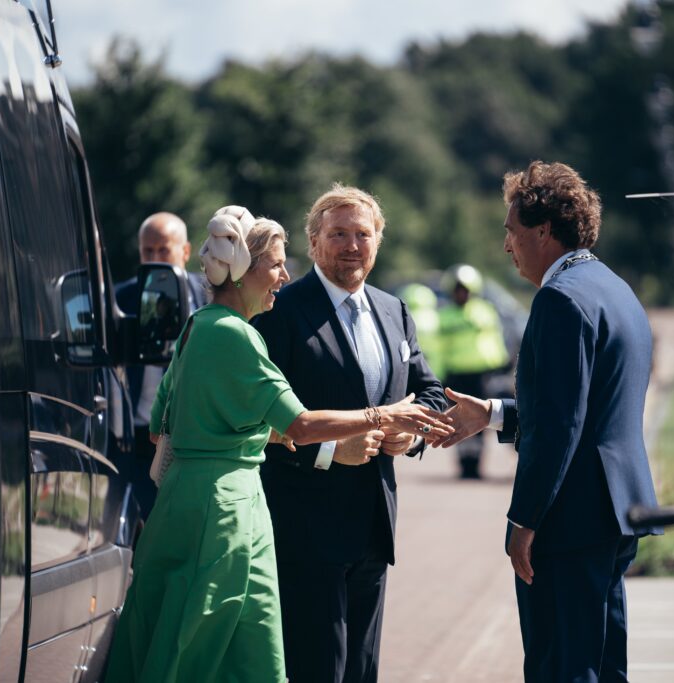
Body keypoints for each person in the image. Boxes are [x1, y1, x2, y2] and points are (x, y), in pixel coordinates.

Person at [106, 207, 451, 683]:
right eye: (274, 265)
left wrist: (245, 435)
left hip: (192, 504)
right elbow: (303, 424)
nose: (283, 277)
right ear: (243, 269)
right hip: (225, 515)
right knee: (217, 649)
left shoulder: (196, 326)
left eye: (362, 234)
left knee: (187, 637)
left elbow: (164, 424)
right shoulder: (240, 333)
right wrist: (382, 415)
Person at [434, 162, 661, 682]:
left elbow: (561, 426)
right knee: (602, 665)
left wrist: (524, 521)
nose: (507, 247)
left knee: (559, 667)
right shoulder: (614, 288)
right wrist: (490, 414)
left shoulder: (559, 299)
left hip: (570, 518)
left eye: (512, 233)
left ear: (543, 231)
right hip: (614, 511)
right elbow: (584, 410)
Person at [253, 185, 447, 683]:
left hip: (374, 526)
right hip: (305, 527)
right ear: (314, 242)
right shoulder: (280, 313)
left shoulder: (394, 310)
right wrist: (328, 452)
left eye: (363, 234)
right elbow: (260, 418)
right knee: (317, 667)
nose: (352, 245)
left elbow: (429, 393)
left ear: (378, 241)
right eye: (338, 234)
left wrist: (413, 435)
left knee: (363, 668)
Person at [115, 212, 207, 519]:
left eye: (163, 250)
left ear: (185, 251)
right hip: (141, 439)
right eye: (147, 251)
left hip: (194, 438)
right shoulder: (122, 299)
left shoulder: (209, 297)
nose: (155, 258)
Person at [437, 264, 509, 479]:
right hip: (455, 375)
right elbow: (440, 347)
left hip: (480, 374)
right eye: (458, 289)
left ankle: (476, 466)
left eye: (465, 289)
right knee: (455, 420)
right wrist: (438, 375)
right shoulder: (444, 316)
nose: (461, 293)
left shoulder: (484, 312)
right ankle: (463, 465)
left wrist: (500, 362)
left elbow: (493, 340)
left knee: (479, 420)